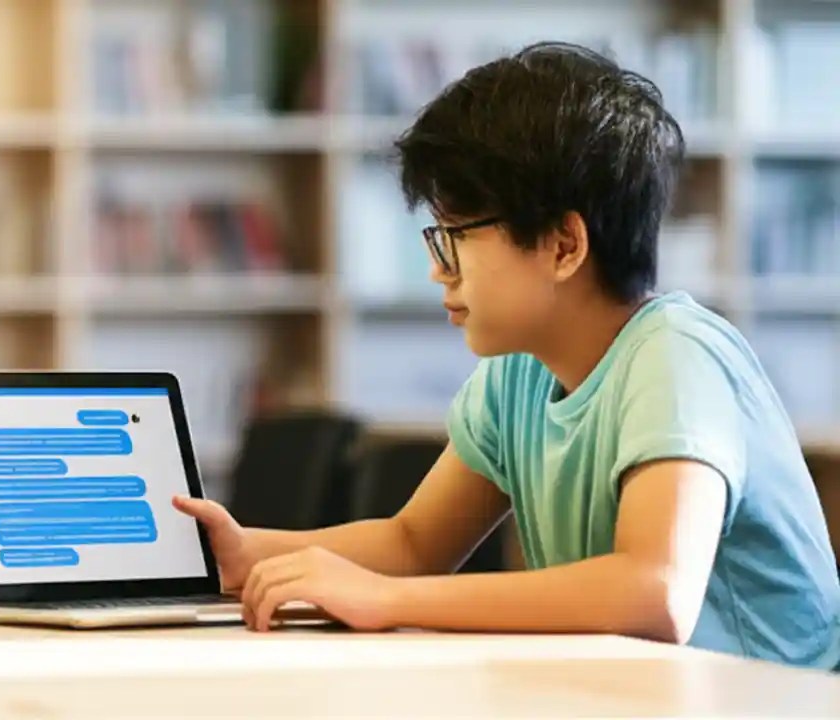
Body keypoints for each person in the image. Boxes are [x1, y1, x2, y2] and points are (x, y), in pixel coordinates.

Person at [174, 42, 840, 670]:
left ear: (562, 246)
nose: (439, 270)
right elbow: (412, 544)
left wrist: (387, 601)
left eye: (454, 237)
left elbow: (654, 591)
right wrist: (247, 554)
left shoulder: (676, 358)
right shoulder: (517, 373)